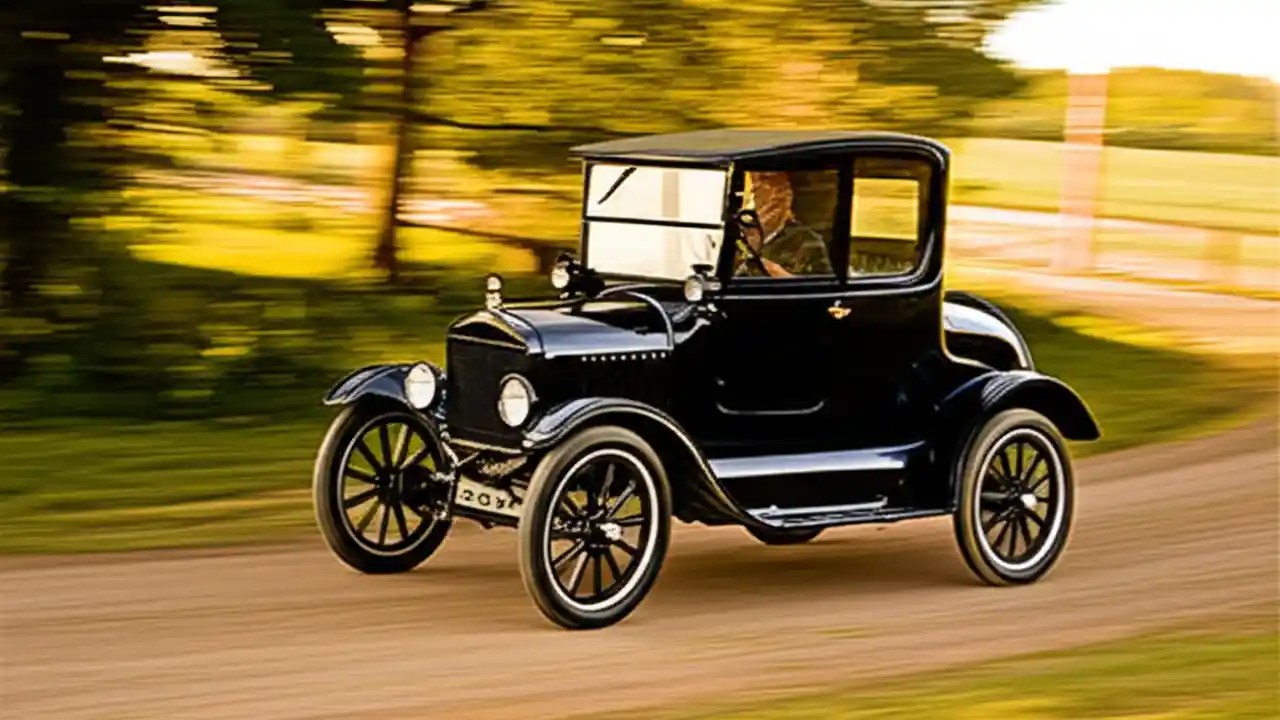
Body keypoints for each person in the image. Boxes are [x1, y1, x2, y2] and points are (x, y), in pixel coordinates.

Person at [734, 171, 835, 278]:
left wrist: (779, 275)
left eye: (765, 180)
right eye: (754, 181)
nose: (755, 188)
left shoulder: (809, 243)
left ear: (785, 192)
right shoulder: (739, 233)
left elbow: (820, 290)